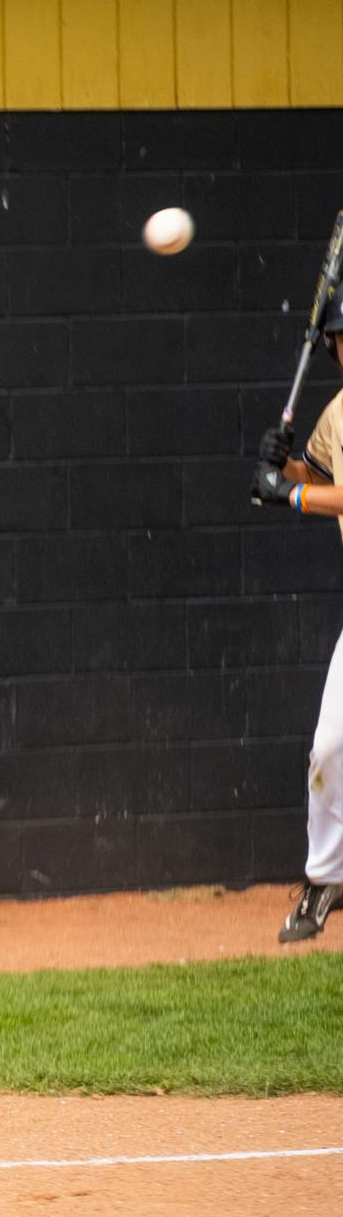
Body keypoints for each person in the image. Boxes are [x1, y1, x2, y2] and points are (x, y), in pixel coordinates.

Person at [254, 287, 343, 943]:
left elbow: (333, 497)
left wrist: (287, 496)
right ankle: (325, 879)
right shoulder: (339, 412)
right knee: (330, 747)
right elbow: (311, 473)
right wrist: (274, 461)